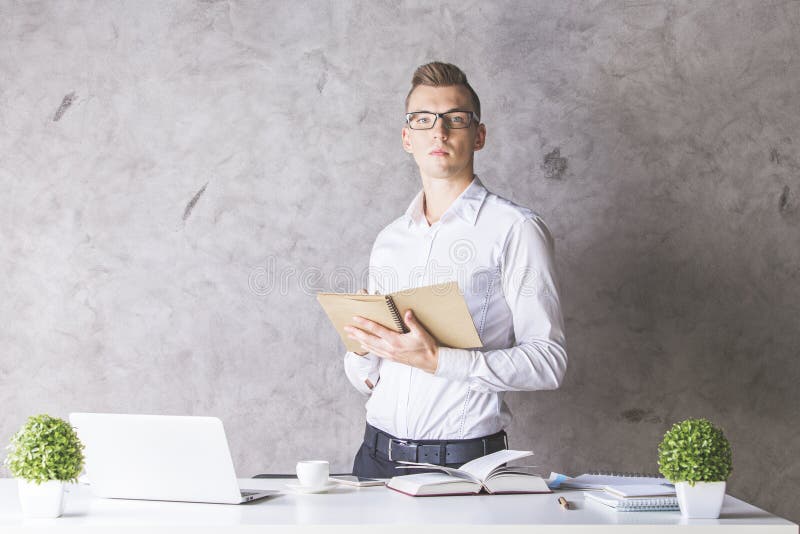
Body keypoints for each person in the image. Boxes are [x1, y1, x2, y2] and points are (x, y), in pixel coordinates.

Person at [343, 61, 567, 478]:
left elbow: (549, 362)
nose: (439, 132)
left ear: (478, 135)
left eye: (455, 119)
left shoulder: (516, 230)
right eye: (423, 120)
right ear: (407, 138)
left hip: (463, 467)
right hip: (372, 460)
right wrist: (362, 350)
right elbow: (370, 380)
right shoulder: (389, 240)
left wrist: (439, 360)